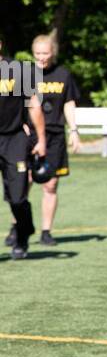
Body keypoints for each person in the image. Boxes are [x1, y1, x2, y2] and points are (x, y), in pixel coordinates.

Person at [27, 34, 82, 246]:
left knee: (50, 185)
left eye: (46, 53)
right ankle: (18, 227)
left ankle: (46, 232)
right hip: (30, 135)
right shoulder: (26, 75)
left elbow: (69, 104)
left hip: (56, 136)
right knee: (24, 183)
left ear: (53, 53)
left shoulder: (63, 75)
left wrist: (74, 131)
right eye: (38, 53)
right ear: (33, 53)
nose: (42, 57)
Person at [0, 36, 47, 260]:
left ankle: (23, 235)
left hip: (14, 139)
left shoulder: (18, 70)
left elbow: (34, 105)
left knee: (18, 197)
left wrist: (41, 139)